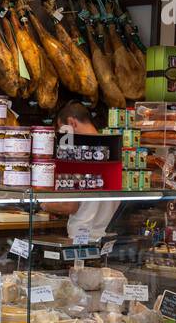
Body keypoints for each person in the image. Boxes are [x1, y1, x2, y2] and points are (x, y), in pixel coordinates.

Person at [45, 101, 121, 241]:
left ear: (71, 123)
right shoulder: (112, 148)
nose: (63, 136)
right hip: (107, 237)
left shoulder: (74, 154)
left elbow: (69, 206)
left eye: (62, 130)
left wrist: (42, 204)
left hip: (81, 237)